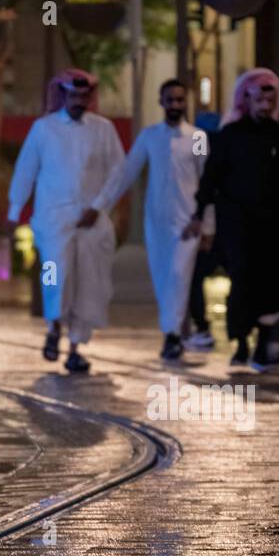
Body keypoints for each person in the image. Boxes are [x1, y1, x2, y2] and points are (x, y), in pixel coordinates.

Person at [7, 68, 125, 373]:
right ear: (63, 95)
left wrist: (98, 207)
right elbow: (26, 170)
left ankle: (75, 347)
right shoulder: (44, 129)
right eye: (74, 95)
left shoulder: (103, 129)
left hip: (92, 222)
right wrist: (13, 211)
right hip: (53, 220)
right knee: (54, 276)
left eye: (85, 96)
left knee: (88, 283)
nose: (79, 101)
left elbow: (118, 172)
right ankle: (52, 327)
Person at [194, 68, 279, 371]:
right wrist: (200, 217)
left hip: (276, 228)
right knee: (243, 282)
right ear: (246, 99)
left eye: (269, 98)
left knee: (273, 286)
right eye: (258, 97)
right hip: (238, 227)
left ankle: (263, 346)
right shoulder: (229, 136)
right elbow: (210, 179)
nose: (264, 104)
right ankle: (242, 344)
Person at [94, 78, 210, 361]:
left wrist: (206, 224)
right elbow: (126, 172)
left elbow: (207, 180)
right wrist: (100, 207)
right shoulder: (149, 136)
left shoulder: (197, 138)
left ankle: (172, 335)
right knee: (162, 277)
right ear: (161, 102)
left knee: (179, 276)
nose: (175, 105)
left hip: (188, 221)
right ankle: (174, 332)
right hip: (156, 220)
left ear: (186, 103)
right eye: (170, 100)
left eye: (180, 100)